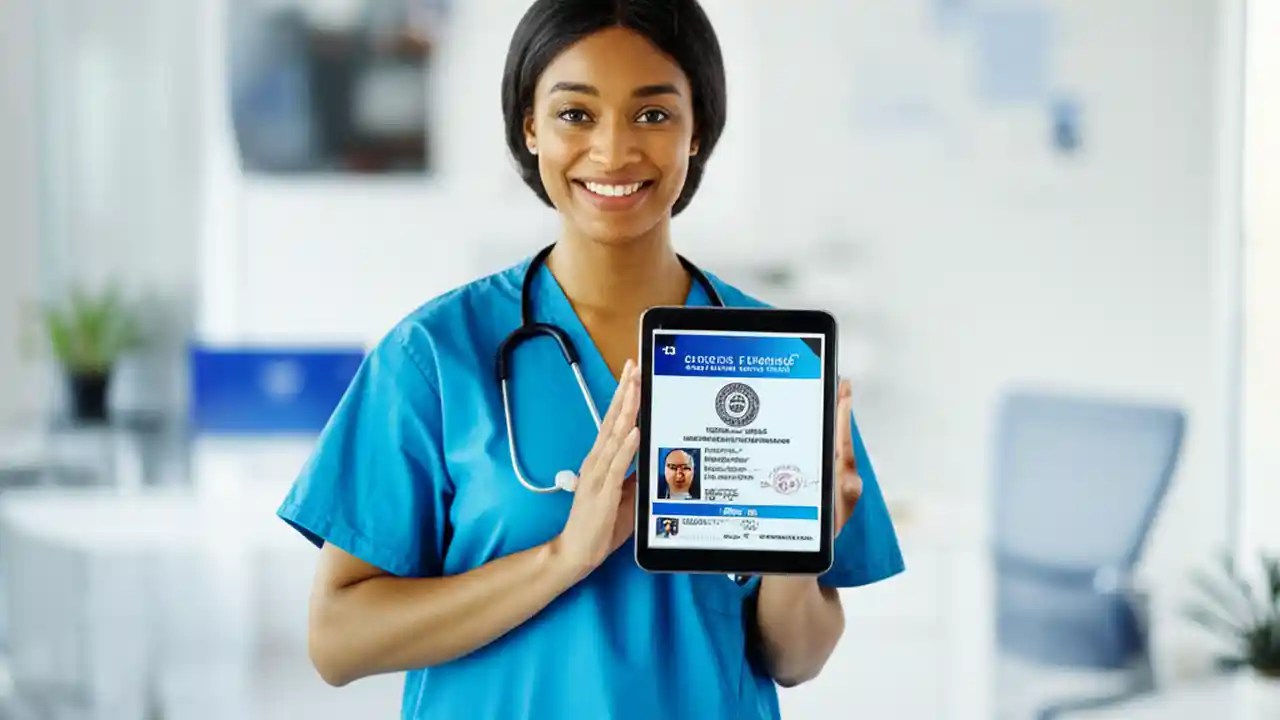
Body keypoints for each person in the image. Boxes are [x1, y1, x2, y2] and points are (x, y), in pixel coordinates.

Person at [276, 1, 905, 718]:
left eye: (653, 114)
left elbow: (797, 659)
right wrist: (562, 558)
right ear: (530, 127)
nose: (613, 151)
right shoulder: (436, 357)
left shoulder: (775, 359)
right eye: (576, 114)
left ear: (698, 129)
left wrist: (798, 551)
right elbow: (338, 640)